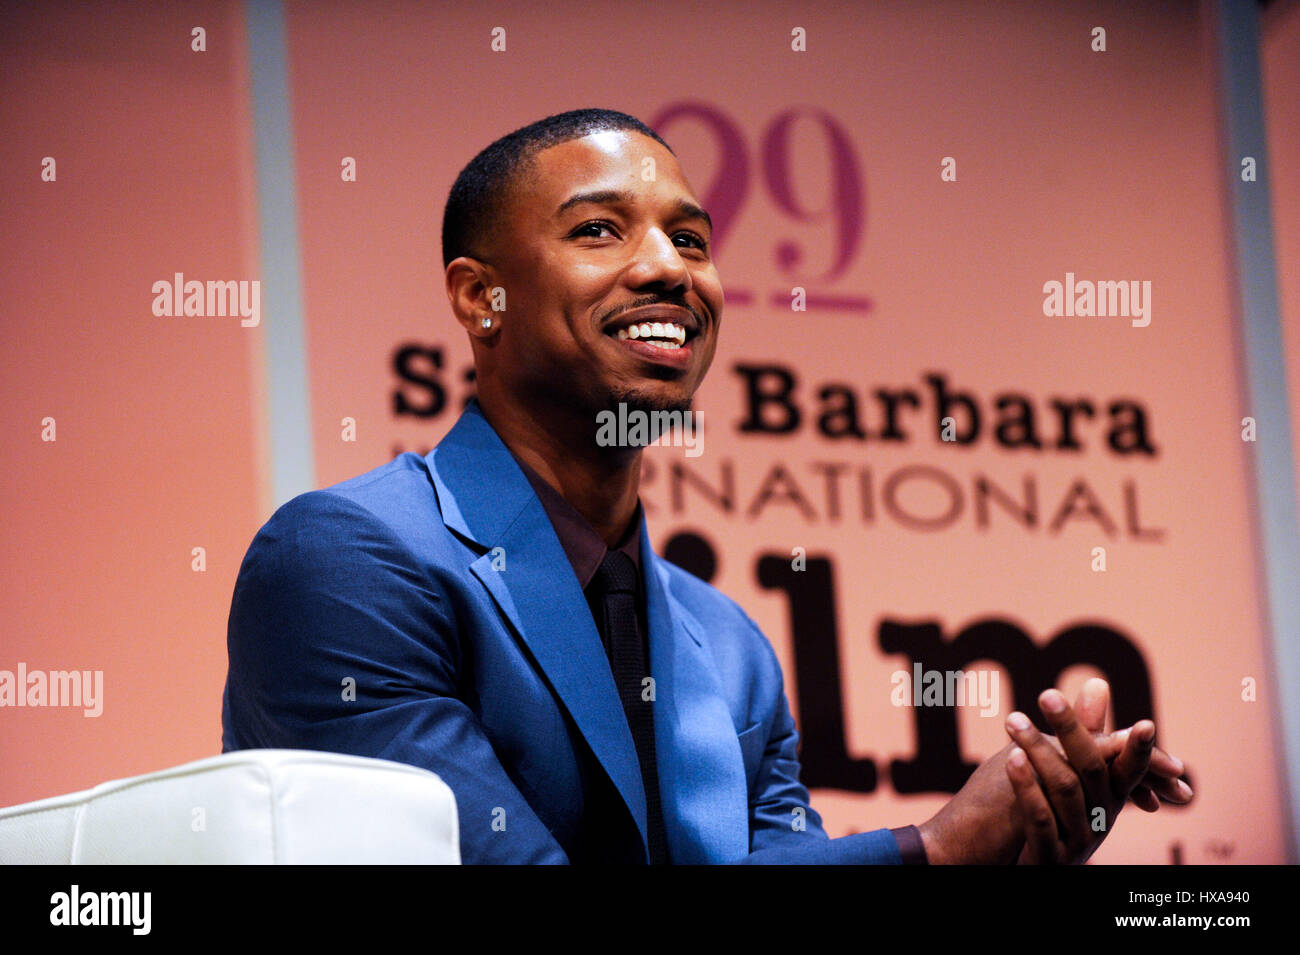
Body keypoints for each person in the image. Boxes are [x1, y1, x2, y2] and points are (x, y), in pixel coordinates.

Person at [221, 109, 1191, 864]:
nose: (666, 268)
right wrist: (930, 851)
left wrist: (1001, 838)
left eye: (690, 240)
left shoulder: (728, 645)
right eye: (599, 230)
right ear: (483, 298)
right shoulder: (347, 561)